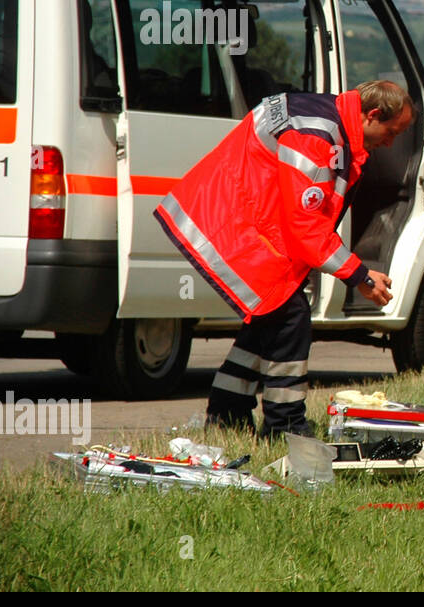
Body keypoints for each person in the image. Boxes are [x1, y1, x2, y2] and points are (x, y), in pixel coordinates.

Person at [155, 82, 408, 436]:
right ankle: (284, 423)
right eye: (392, 132)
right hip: (230, 224)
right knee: (292, 318)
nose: (390, 143)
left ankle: (227, 414)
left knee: (271, 318)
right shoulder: (318, 135)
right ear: (373, 115)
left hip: (231, 217)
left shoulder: (324, 118)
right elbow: (306, 225)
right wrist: (360, 275)